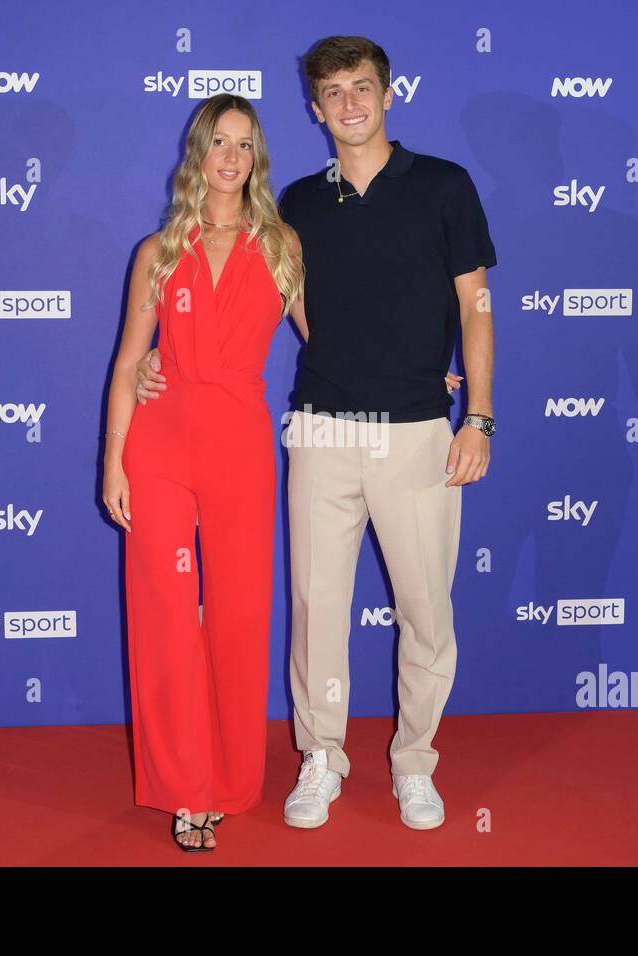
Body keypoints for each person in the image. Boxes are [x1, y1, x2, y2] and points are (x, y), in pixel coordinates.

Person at [137, 36, 497, 832]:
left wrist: (476, 415)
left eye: (362, 87)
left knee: (425, 612)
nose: (349, 104)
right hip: (321, 428)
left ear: (388, 94)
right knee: (317, 609)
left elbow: (476, 306)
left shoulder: (445, 185)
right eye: (332, 92)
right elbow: (271, 308)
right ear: (314, 109)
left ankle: (414, 763)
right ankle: (322, 757)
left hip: (416, 434)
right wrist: (151, 365)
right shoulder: (293, 206)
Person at [102, 93, 303, 851]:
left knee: (241, 615)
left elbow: (335, 340)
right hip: (158, 447)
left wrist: (418, 376)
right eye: (219, 142)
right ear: (198, 154)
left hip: (240, 447)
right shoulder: (158, 250)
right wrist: (112, 462)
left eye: (245, 145)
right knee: (164, 615)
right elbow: (127, 363)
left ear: (257, 158)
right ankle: (186, 788)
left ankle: (227, 778)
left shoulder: (283, 245)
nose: (230, 157)